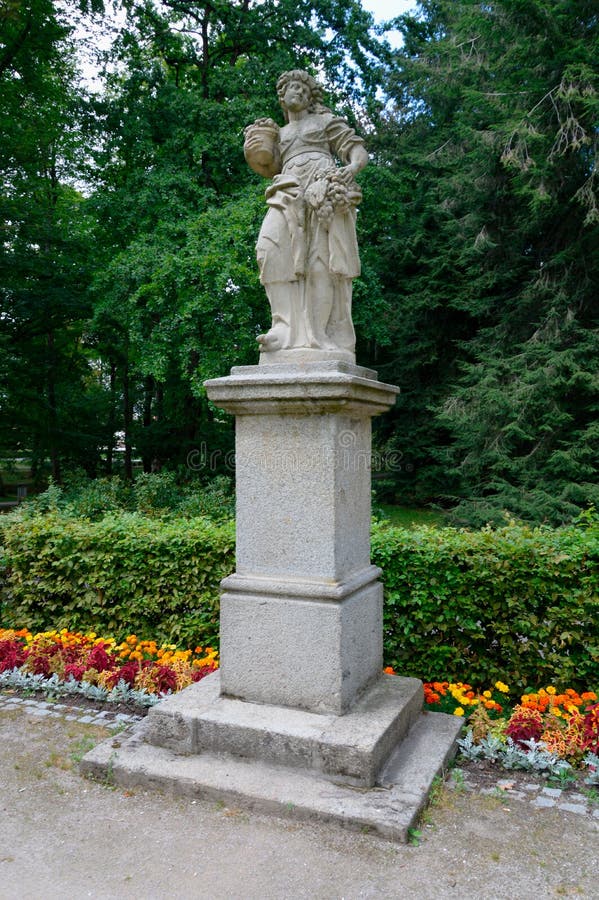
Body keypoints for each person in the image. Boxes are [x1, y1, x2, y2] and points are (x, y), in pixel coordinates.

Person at [243, 70, 368, 357]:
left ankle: (319, 333)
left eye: (303, 89)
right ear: (282, 96)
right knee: (269, 250)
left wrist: (349, 170)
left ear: (310, 97)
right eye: (292, 88)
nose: (297, 92)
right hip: (287, 192)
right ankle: (282, 328)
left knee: (320, 263)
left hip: (323, 190)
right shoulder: (280, 134)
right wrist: (252, 150)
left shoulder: (323, 121)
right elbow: (266, 166)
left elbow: (357, 151)